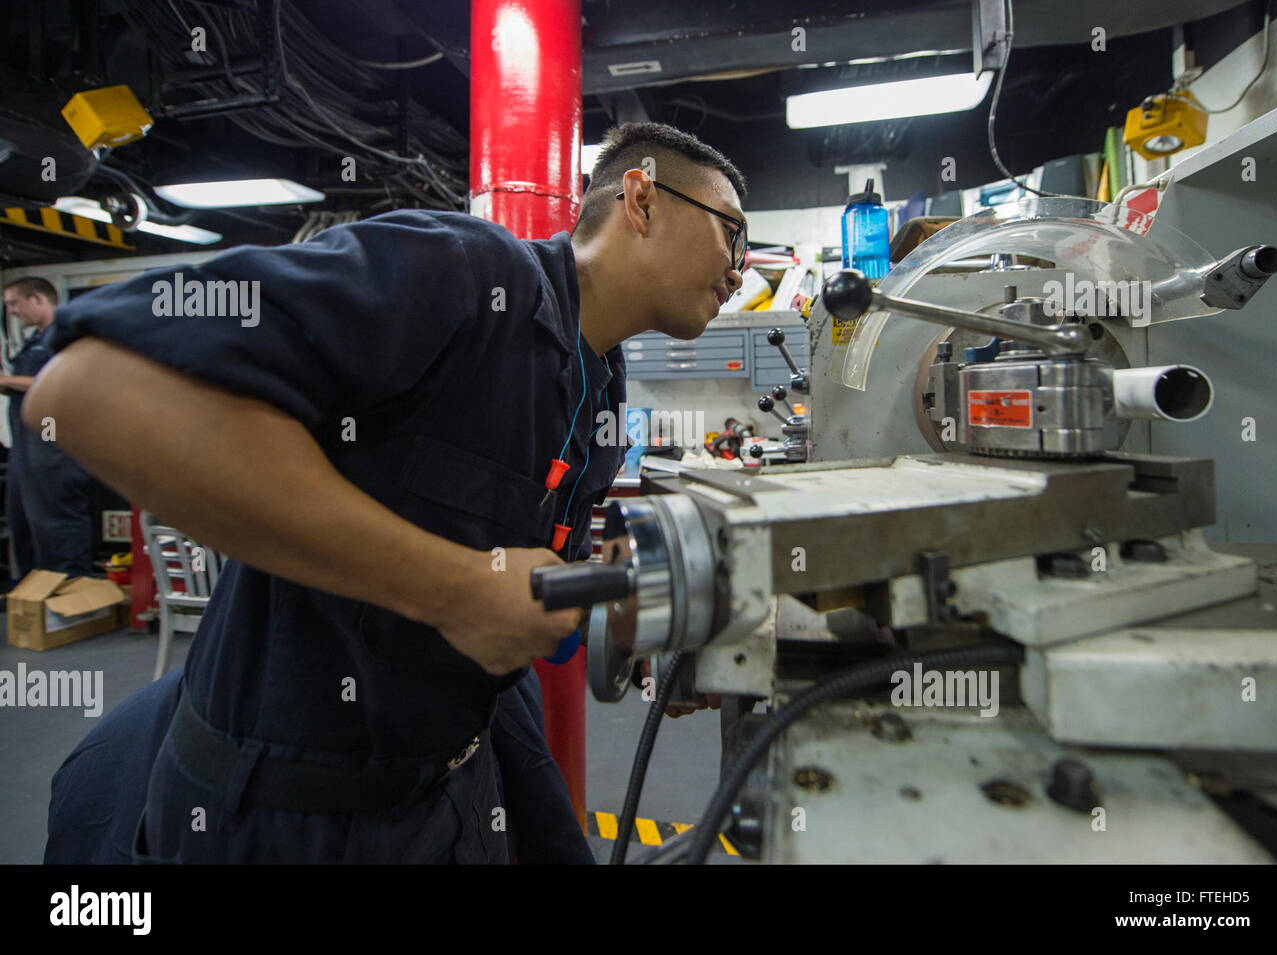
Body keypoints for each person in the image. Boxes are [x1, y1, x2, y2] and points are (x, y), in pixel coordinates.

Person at [32, 121, 747, 864]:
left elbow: (519, 576)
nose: (739, 267)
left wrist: (631, 624)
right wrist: (457, 590)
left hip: (450, 791)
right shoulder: (468, 272)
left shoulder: (600, 387)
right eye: (732, 231)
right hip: (282, 817)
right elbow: (94, 386)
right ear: (642, 197)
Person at [1, 277, 98, 579]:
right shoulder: (34, 340)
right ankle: (32, 594)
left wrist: (5, 381)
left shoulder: (67, 336)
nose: (13, 312)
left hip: (50, 436)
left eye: (15, 303)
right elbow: (27, 386)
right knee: (23, 521)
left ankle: (69, 592)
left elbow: (63, 383)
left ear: (39, 299)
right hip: (26, 444)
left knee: (56, 520)